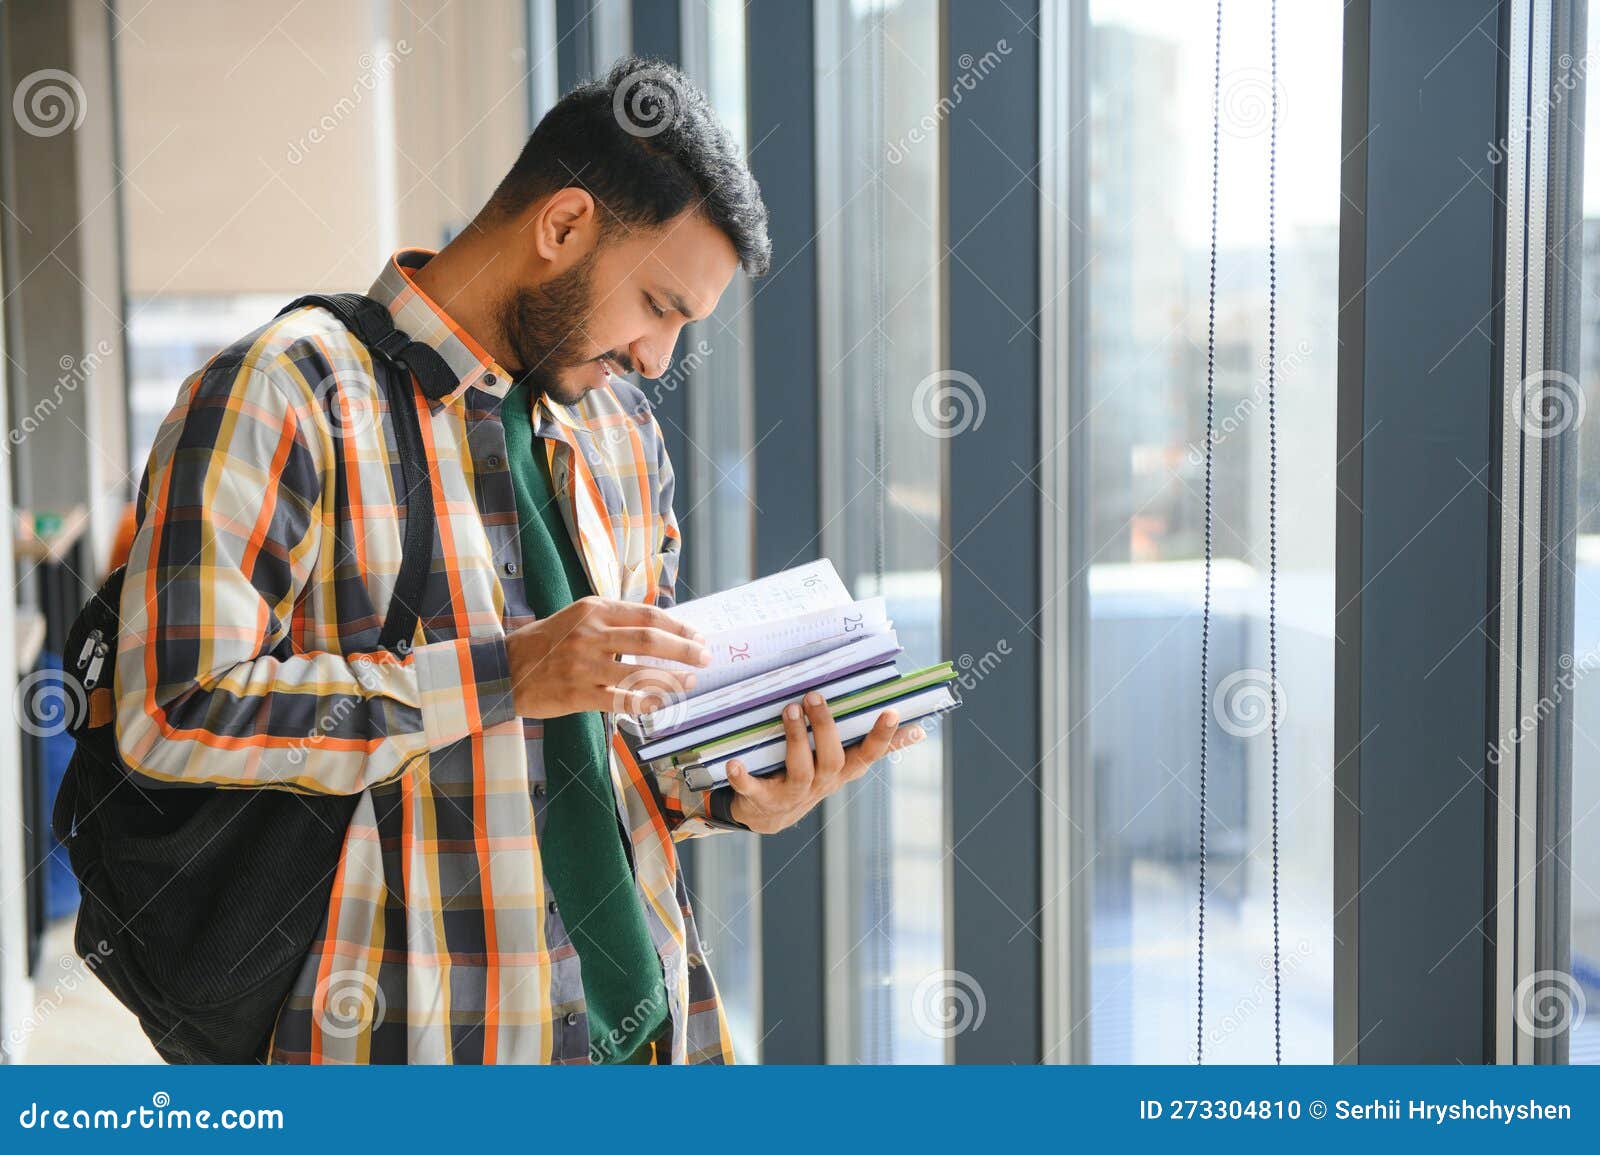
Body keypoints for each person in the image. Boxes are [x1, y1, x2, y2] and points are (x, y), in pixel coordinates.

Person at [113, 56, 923, 1066]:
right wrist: (506, 673)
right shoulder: (285, 393)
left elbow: (604, 753)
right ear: (565, 225)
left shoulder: (623, 436)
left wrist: (732, 791)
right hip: (412, 1040)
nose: (658, 357)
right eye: (660, 306)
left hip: (647, 1022)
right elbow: (170, 713)